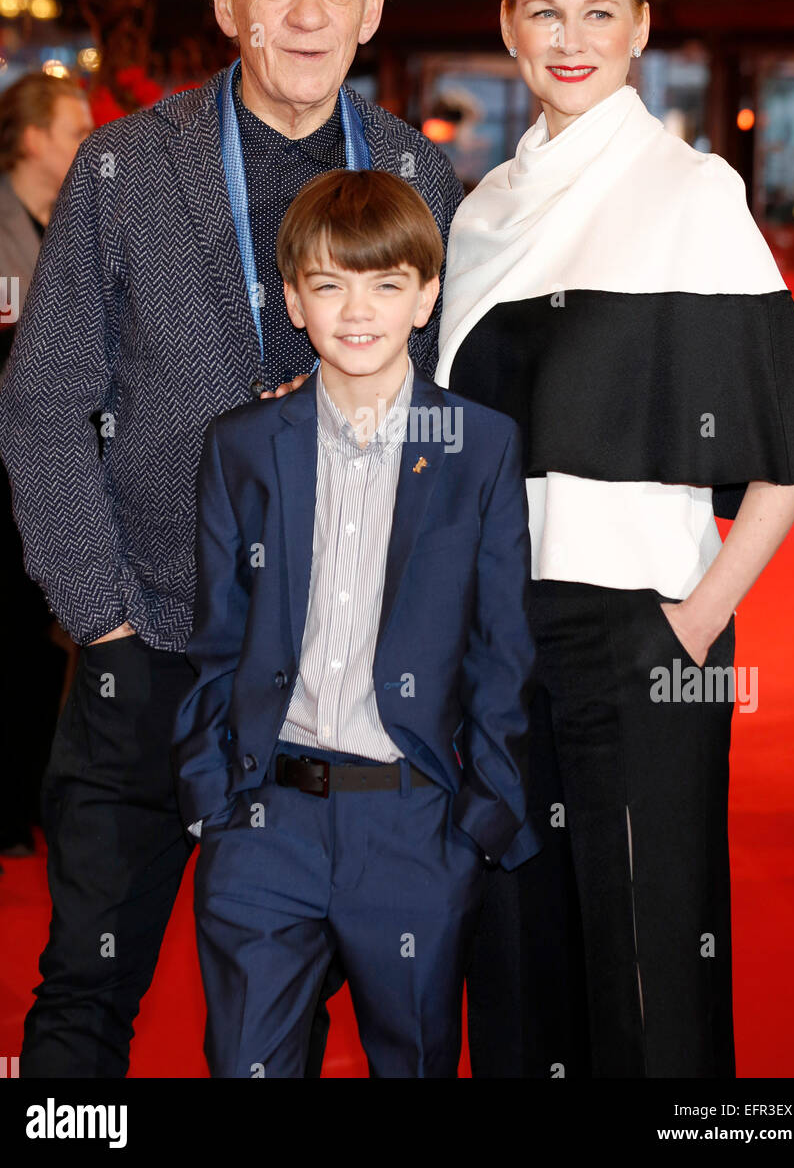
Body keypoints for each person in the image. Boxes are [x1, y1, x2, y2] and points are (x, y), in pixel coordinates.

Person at [0, 0, 463, 1079]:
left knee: (278, 1022)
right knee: (85, 992)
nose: (305, 15)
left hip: (338, 685)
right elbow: (42, 405)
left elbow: (455, 421)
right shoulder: (120, 168)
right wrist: (99, 619)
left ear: (371, 9)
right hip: (149, 649)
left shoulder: (417, 178)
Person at [435, 0, 794, 1079]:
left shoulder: (688, 192)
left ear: (639, 26)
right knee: (517, 956)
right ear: (507, 26)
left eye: (598, 12)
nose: (570, 37)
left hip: (638, 632)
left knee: (650, 967)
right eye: (545, 11)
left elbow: (790, 447)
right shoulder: (481, 215)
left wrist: (697, 617)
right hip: (496, 638)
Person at [173, 168, 538, 1077]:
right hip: (267, 824)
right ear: (294, 301)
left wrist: (480, 820)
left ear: (426, 295)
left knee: (411, 1064)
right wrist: (212, 802)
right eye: (329, 285)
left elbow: (504, 649)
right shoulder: (244, 447)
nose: (358, 310)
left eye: (385, 283)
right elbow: (217, 636)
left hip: (413, 826)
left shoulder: (479, 446)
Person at [0, 73, 93, 861]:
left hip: (61, 464)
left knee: (39, 643)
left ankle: (25, 795)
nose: (92, 141)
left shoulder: (83, 223)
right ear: (29, 140)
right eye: (76, 129)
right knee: (0, 639)